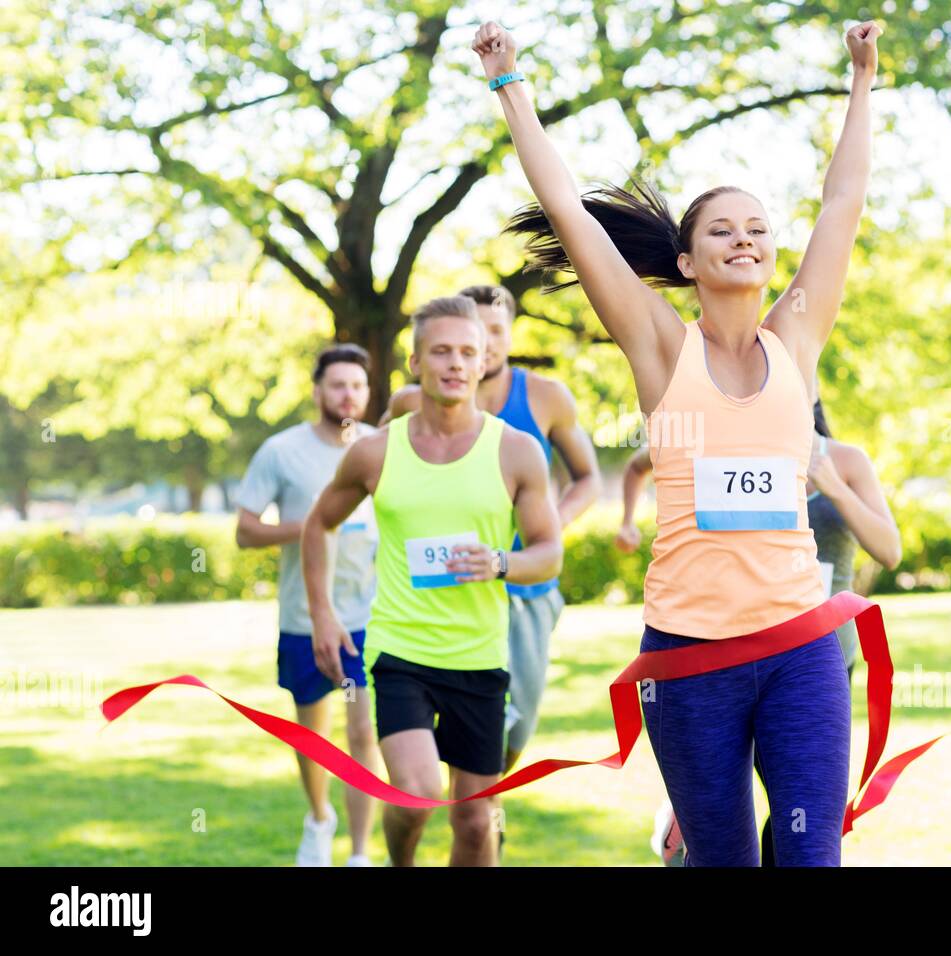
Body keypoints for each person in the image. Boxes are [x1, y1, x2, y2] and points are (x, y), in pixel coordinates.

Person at [473, 16, 884, 865]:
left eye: (759, 228)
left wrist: (862, 81)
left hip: (801, 646)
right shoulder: (662, 346)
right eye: (723, 230)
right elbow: (568, 211)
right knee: (721, 857)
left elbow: (842, 204)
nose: (746, 238)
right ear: (688, 261)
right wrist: (508, 84)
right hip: (690, 658)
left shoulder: (796, 339)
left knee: (812, 855)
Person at [301, 295, 562, 866]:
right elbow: (318, 524)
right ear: (416, 363)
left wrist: (500, 563)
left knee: (474, 824)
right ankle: (399, 862)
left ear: (485, 359)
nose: (456, 363)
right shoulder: (374, 453)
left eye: (469, 351)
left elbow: (549, 553)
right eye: (441, 351)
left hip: (480, 658)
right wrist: (322, 614)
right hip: (401, 651)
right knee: (417, 796)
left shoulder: (516, 452)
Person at [617, 398, 903, 865]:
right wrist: (627, 522)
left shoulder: (846, 460)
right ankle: (690, 806)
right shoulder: (713, 444)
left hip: (822, 656)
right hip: (725, 653)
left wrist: (834, 487)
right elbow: (637, 467)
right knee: (729, 804)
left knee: (802, 815)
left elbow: (890, 551)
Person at [233, 344, 381, 867]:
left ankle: (361, 854)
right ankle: (320, 819)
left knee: (363, 732)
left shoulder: (380, 448)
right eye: (338, 384)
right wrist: (318, 525)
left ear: (368, 392)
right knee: (314, 736)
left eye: (357, 385)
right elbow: (245, 531)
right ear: (318, 391)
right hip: (303, 617)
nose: (348, 394)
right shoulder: (281, 450)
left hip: (369, 617)